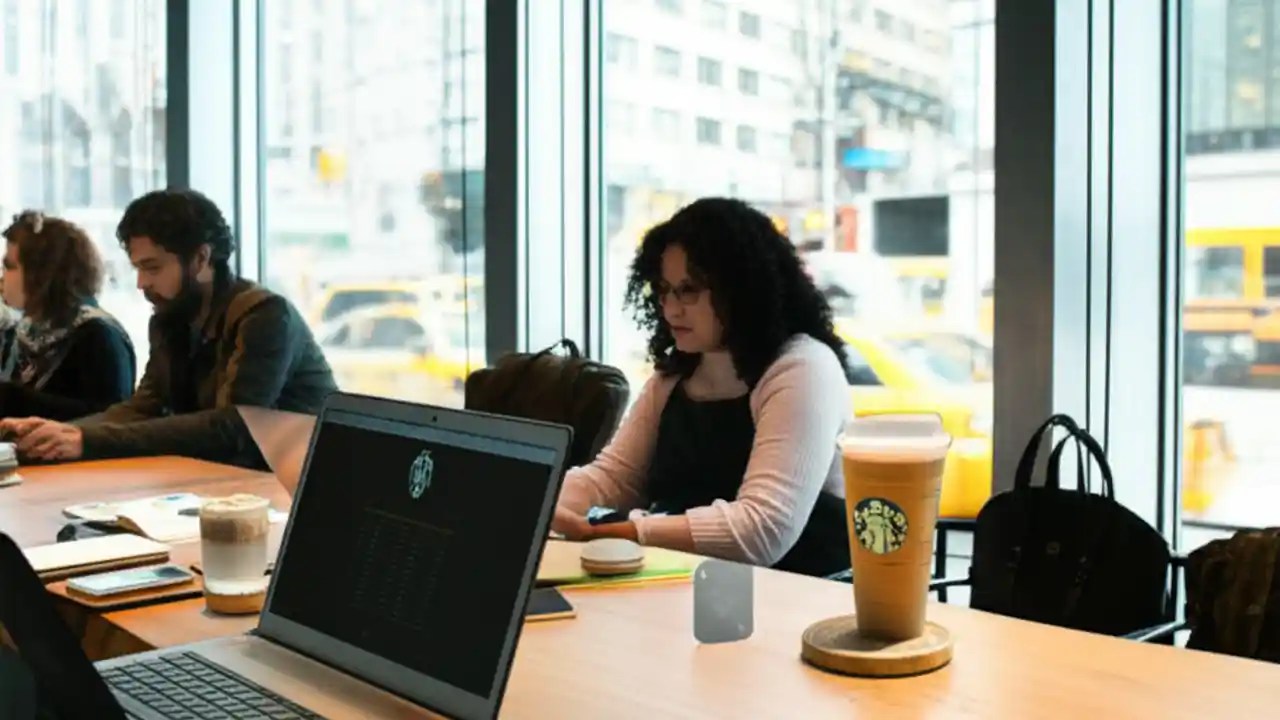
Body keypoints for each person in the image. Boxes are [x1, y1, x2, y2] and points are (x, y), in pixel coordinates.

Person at [551, 197, 855, 577]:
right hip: (703, 589)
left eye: (689, 290)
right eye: (664, 290)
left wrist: (625, 531)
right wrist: (532, 497)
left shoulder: (802, 367)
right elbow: (613, 479)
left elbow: (761, 530)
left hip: (799, 599)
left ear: (740, 290)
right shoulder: (676, 375)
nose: (671, 309)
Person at [1, 189, 336, 468]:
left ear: (201, 259)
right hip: (233, 485)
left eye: (153, 267)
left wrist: (84, 439)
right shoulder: (170, 318)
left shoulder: (264, 315)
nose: (141, 283)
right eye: (137, 268)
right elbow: (145, 405)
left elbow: (233, 426)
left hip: (302, 490)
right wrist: (56, 434)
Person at [0, 212, 135, 419]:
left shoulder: (99, 335)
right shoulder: (22, 331)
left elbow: (110, 418)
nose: (2, 277)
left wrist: (11, 398)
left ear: (42, 274)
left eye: (9, 267)